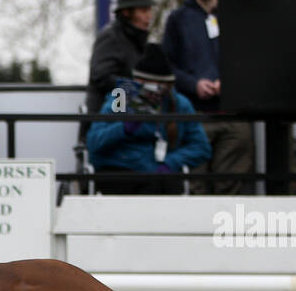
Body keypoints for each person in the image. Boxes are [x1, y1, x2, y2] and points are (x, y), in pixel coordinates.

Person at [162, 0, 254, 195]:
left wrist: (231, 82)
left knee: (230, 184)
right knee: (196, 186)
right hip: (194, 116)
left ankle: (228, 232)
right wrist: (194, 84)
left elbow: (251, 60)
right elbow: (167, 66)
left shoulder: (237, 15)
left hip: (234, 115)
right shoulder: (177, 19)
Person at [84, 44, 211, 195]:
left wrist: (170, 163)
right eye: (144, 85)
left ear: (167, 86)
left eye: (159, 87)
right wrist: (124, 128)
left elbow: (201, 147)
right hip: (118, 169)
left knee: (165, 187)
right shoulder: (122, 97)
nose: (152, 93)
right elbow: (94, 142)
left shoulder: (179, 104)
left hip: (156, 173)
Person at [81, 0, 154, 144]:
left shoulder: (137, 40)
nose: (148, 16)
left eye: (149, 10)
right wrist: (137, 88)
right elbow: (100, 77)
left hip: (126, 121)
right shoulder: (111, 37)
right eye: (143, 11)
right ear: (126, 12)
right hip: (106, 123)